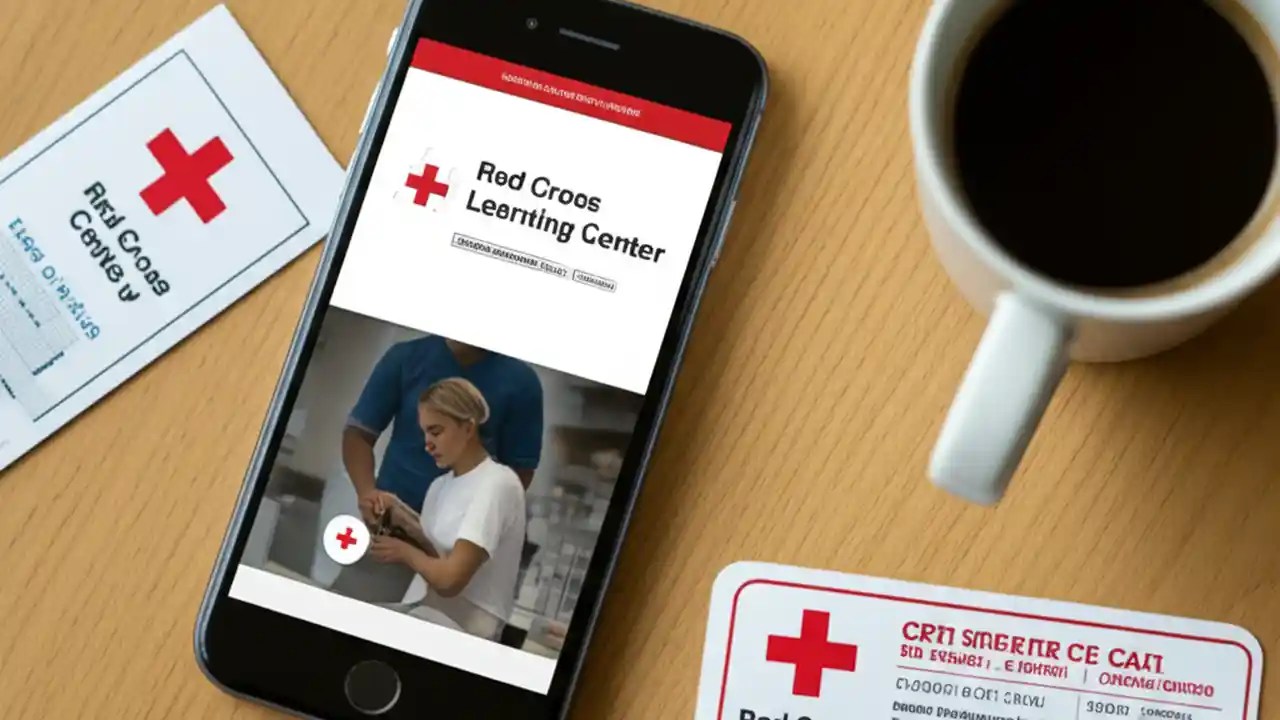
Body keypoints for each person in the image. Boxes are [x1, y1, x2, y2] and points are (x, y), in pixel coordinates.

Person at [367, 378, 526, 640]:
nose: (427, 443)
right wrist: (399, 515)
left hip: (466, 630)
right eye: (425, 433)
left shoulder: (497, 483)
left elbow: (450, 580)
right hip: (425, 610)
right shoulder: (440, 486)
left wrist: (403, 551)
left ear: (467, 427)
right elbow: (437, 552)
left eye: (436, 431)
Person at [343, 336, 543, 521]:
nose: (429, 446)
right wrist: (367, 493)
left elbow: (519, 470)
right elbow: (359, 433)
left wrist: (482, 522)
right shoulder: (405, 358)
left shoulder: (521, 383)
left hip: (460, 525)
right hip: (390, 513)